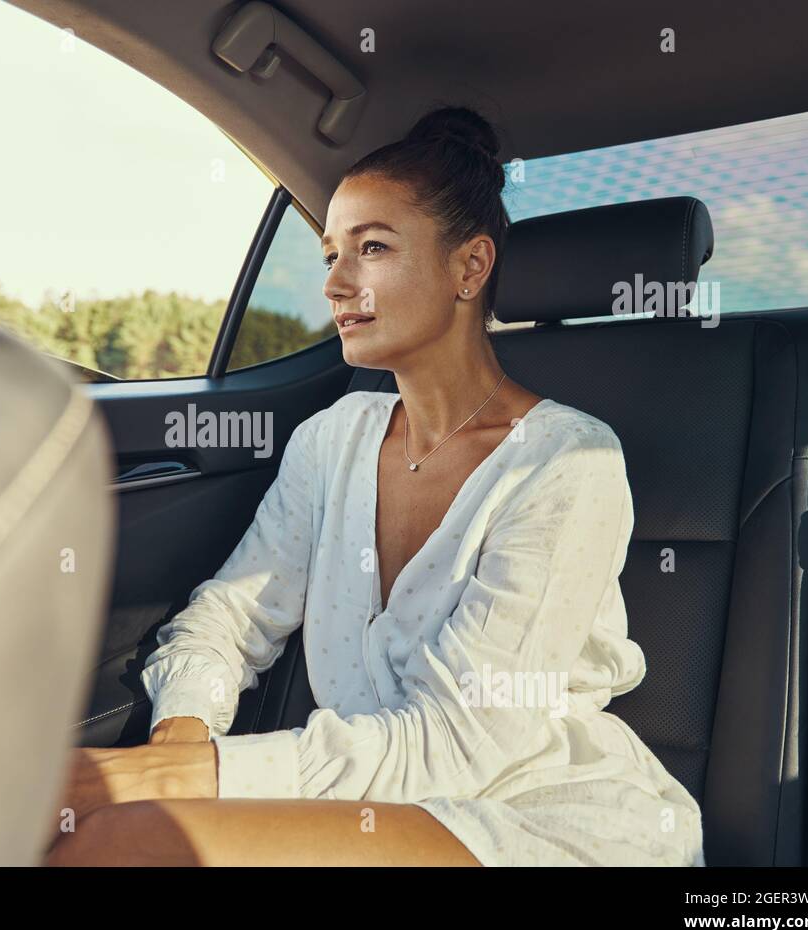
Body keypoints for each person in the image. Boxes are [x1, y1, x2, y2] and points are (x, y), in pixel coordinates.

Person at [45, 104, 706, 866]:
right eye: (331, 253)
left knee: (124, 841)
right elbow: (227, 617)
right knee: (56, 819)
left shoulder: (568, 464)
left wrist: (193, 777)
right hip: (367, 804)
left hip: (534, 813)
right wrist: (182, 736)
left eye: (373, 248)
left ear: (470, 267)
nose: (335, 282)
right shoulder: (334, 439)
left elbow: (463, 746)